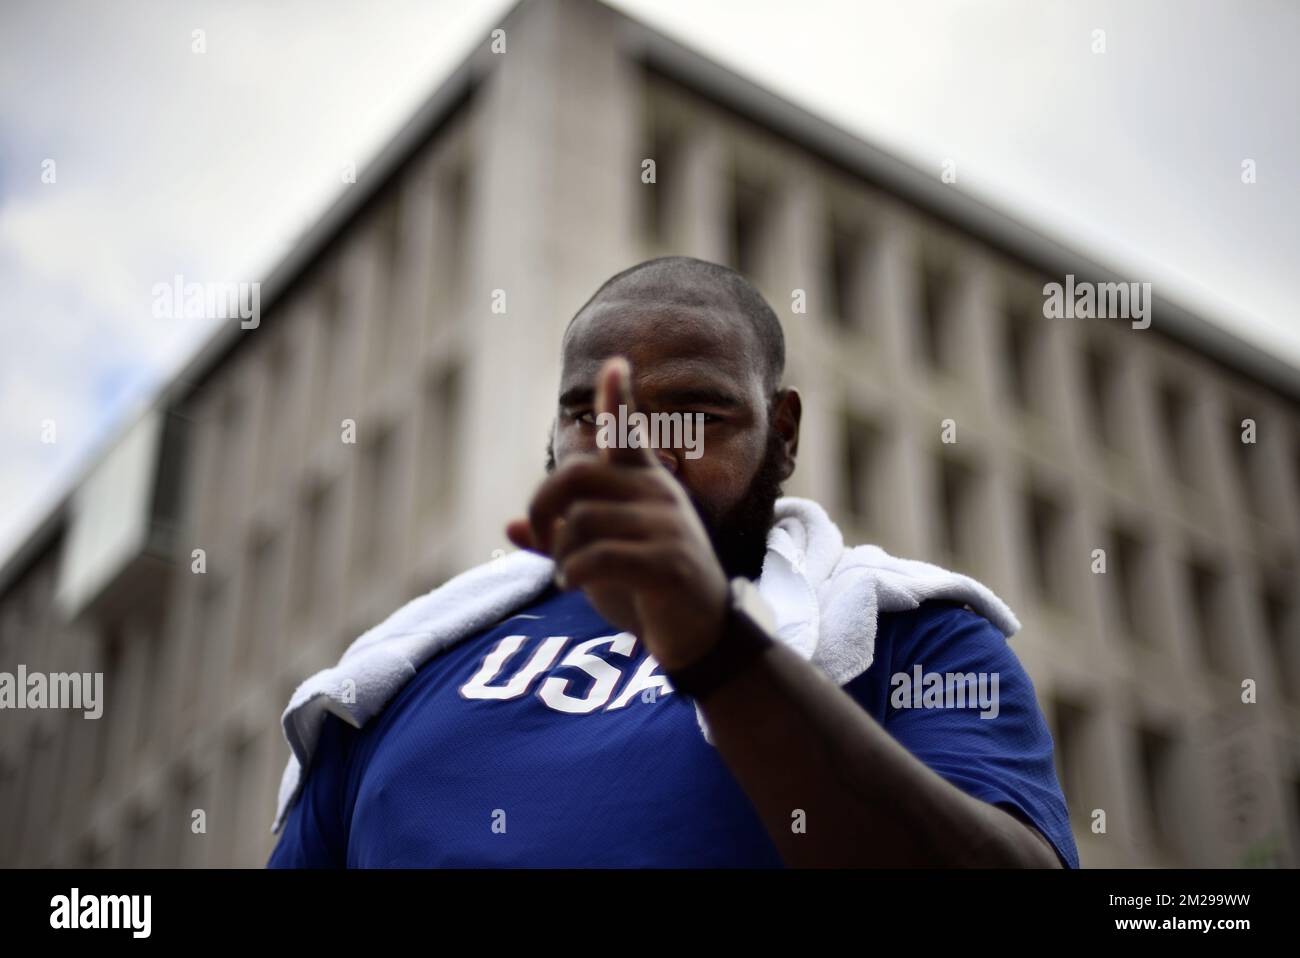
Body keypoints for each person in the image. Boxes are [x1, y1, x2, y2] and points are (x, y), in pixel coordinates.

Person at [267, 256, 1078, 868]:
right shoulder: (395, 674)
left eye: (695, 413)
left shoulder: (912, 635)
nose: (638, 454)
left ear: (783, 435)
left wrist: (715, 646)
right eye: (589, 413)